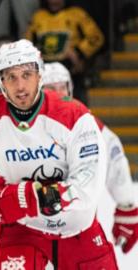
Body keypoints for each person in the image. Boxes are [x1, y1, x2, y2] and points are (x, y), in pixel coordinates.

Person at [0, 39, 118, 269]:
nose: (20, 86)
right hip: (22, 229)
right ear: (0, 82)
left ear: (40, 75)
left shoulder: (74, 115)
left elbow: (87, 188)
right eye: (10, 77)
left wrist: (31, 199)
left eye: (26, 75)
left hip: (77, 228)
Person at [43, 62, 138, 254]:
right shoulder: (23, 123)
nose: (59, 93)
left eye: (63, 87)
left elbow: (114, 157)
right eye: (51, 88)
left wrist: (126, 207)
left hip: (79, 222)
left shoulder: (85, 121)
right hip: (34, 222)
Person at [25, 0, 104, 104]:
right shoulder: (38, 16)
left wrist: (78, 52)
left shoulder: (77, 14)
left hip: (71, 69)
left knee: (75, 106)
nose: (54, 1)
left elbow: (96, 37)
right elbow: (27, 43)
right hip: (44, 71)